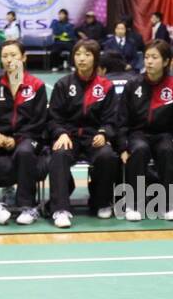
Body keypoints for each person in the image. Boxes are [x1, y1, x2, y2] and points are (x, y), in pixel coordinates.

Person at [0, 39, 49, 226]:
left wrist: (16, 139)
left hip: (28, 137)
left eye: (13, 55)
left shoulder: (36, 86)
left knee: (25, 151)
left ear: (23, 57)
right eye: (5, 56)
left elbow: (39, 122)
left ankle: (27, 206)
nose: (9, 60)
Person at [45, 38, 121, 227]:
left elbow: (112, 119)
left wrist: (104, 134)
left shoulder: (105, 87)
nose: (81, 58)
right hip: (69, 135)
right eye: (78, 54)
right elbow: (53, 117)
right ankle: (60, 209)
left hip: (93, 136)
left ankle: (100, 202)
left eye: (87, 55)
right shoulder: (63, 84)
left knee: (107, 156)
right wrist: (61, 133)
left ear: (95, 59)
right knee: (59, 154)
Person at [116, 38, 173, 221]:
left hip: (164, 134)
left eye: (154, 57)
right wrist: (123, 147)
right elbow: (122, 120)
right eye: (147, 57)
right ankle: (133, 204)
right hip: (137, 134)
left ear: (166, 62)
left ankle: (168, 203)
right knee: (139, 149)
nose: (149, 61)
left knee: (167, 150)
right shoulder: (133, 85)